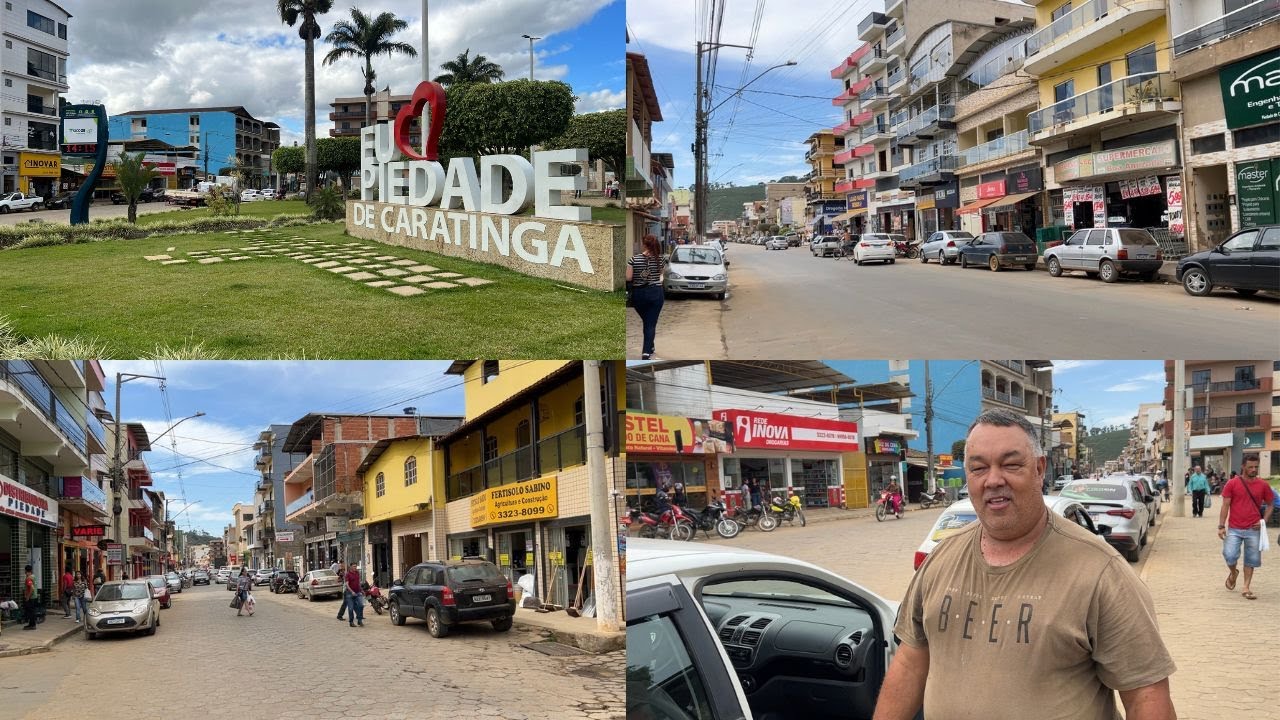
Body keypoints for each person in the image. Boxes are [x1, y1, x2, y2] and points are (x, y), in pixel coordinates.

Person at [873, 409, 1177, 720]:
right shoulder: (941, 558)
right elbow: (910, 664)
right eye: (978, 468)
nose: (993, 480)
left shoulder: (1101, 572)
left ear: (1039, 468)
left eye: (1011, 464)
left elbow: (1146, 698)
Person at [1218, 453, 1274, 600]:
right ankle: (1233, 572)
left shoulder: (1263, 485)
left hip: (1254, 529)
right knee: (1229, 555)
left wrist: (1264, 521)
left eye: (1256, 467)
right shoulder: (1232, 483)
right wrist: (1221, 526)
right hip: (1235, 528)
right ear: (1243, 467)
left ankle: (1246, 587)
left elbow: (1270, 504)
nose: (1254, 469)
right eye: (1250, 467)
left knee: (1251, 559)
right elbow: (1225, 505)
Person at [627, 234, 666, 360]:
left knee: (648, 322)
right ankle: (646, 351)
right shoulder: (660, 259)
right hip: (656, 292)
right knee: (650, 323)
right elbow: (661, 275)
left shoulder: (633, 259)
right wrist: (658, 281)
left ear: (644, 245)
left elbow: (628, 278)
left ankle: (650, 346)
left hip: (639, 294)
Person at [22, 564, 37, 630]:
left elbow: (32, 588)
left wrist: (28, 597)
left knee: (30, 612)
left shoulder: (29, 578)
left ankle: (32, 625)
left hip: (31, 597)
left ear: (26, 570)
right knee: (32, 611)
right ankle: (31, 624)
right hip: (34, 596)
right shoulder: (33, 576)